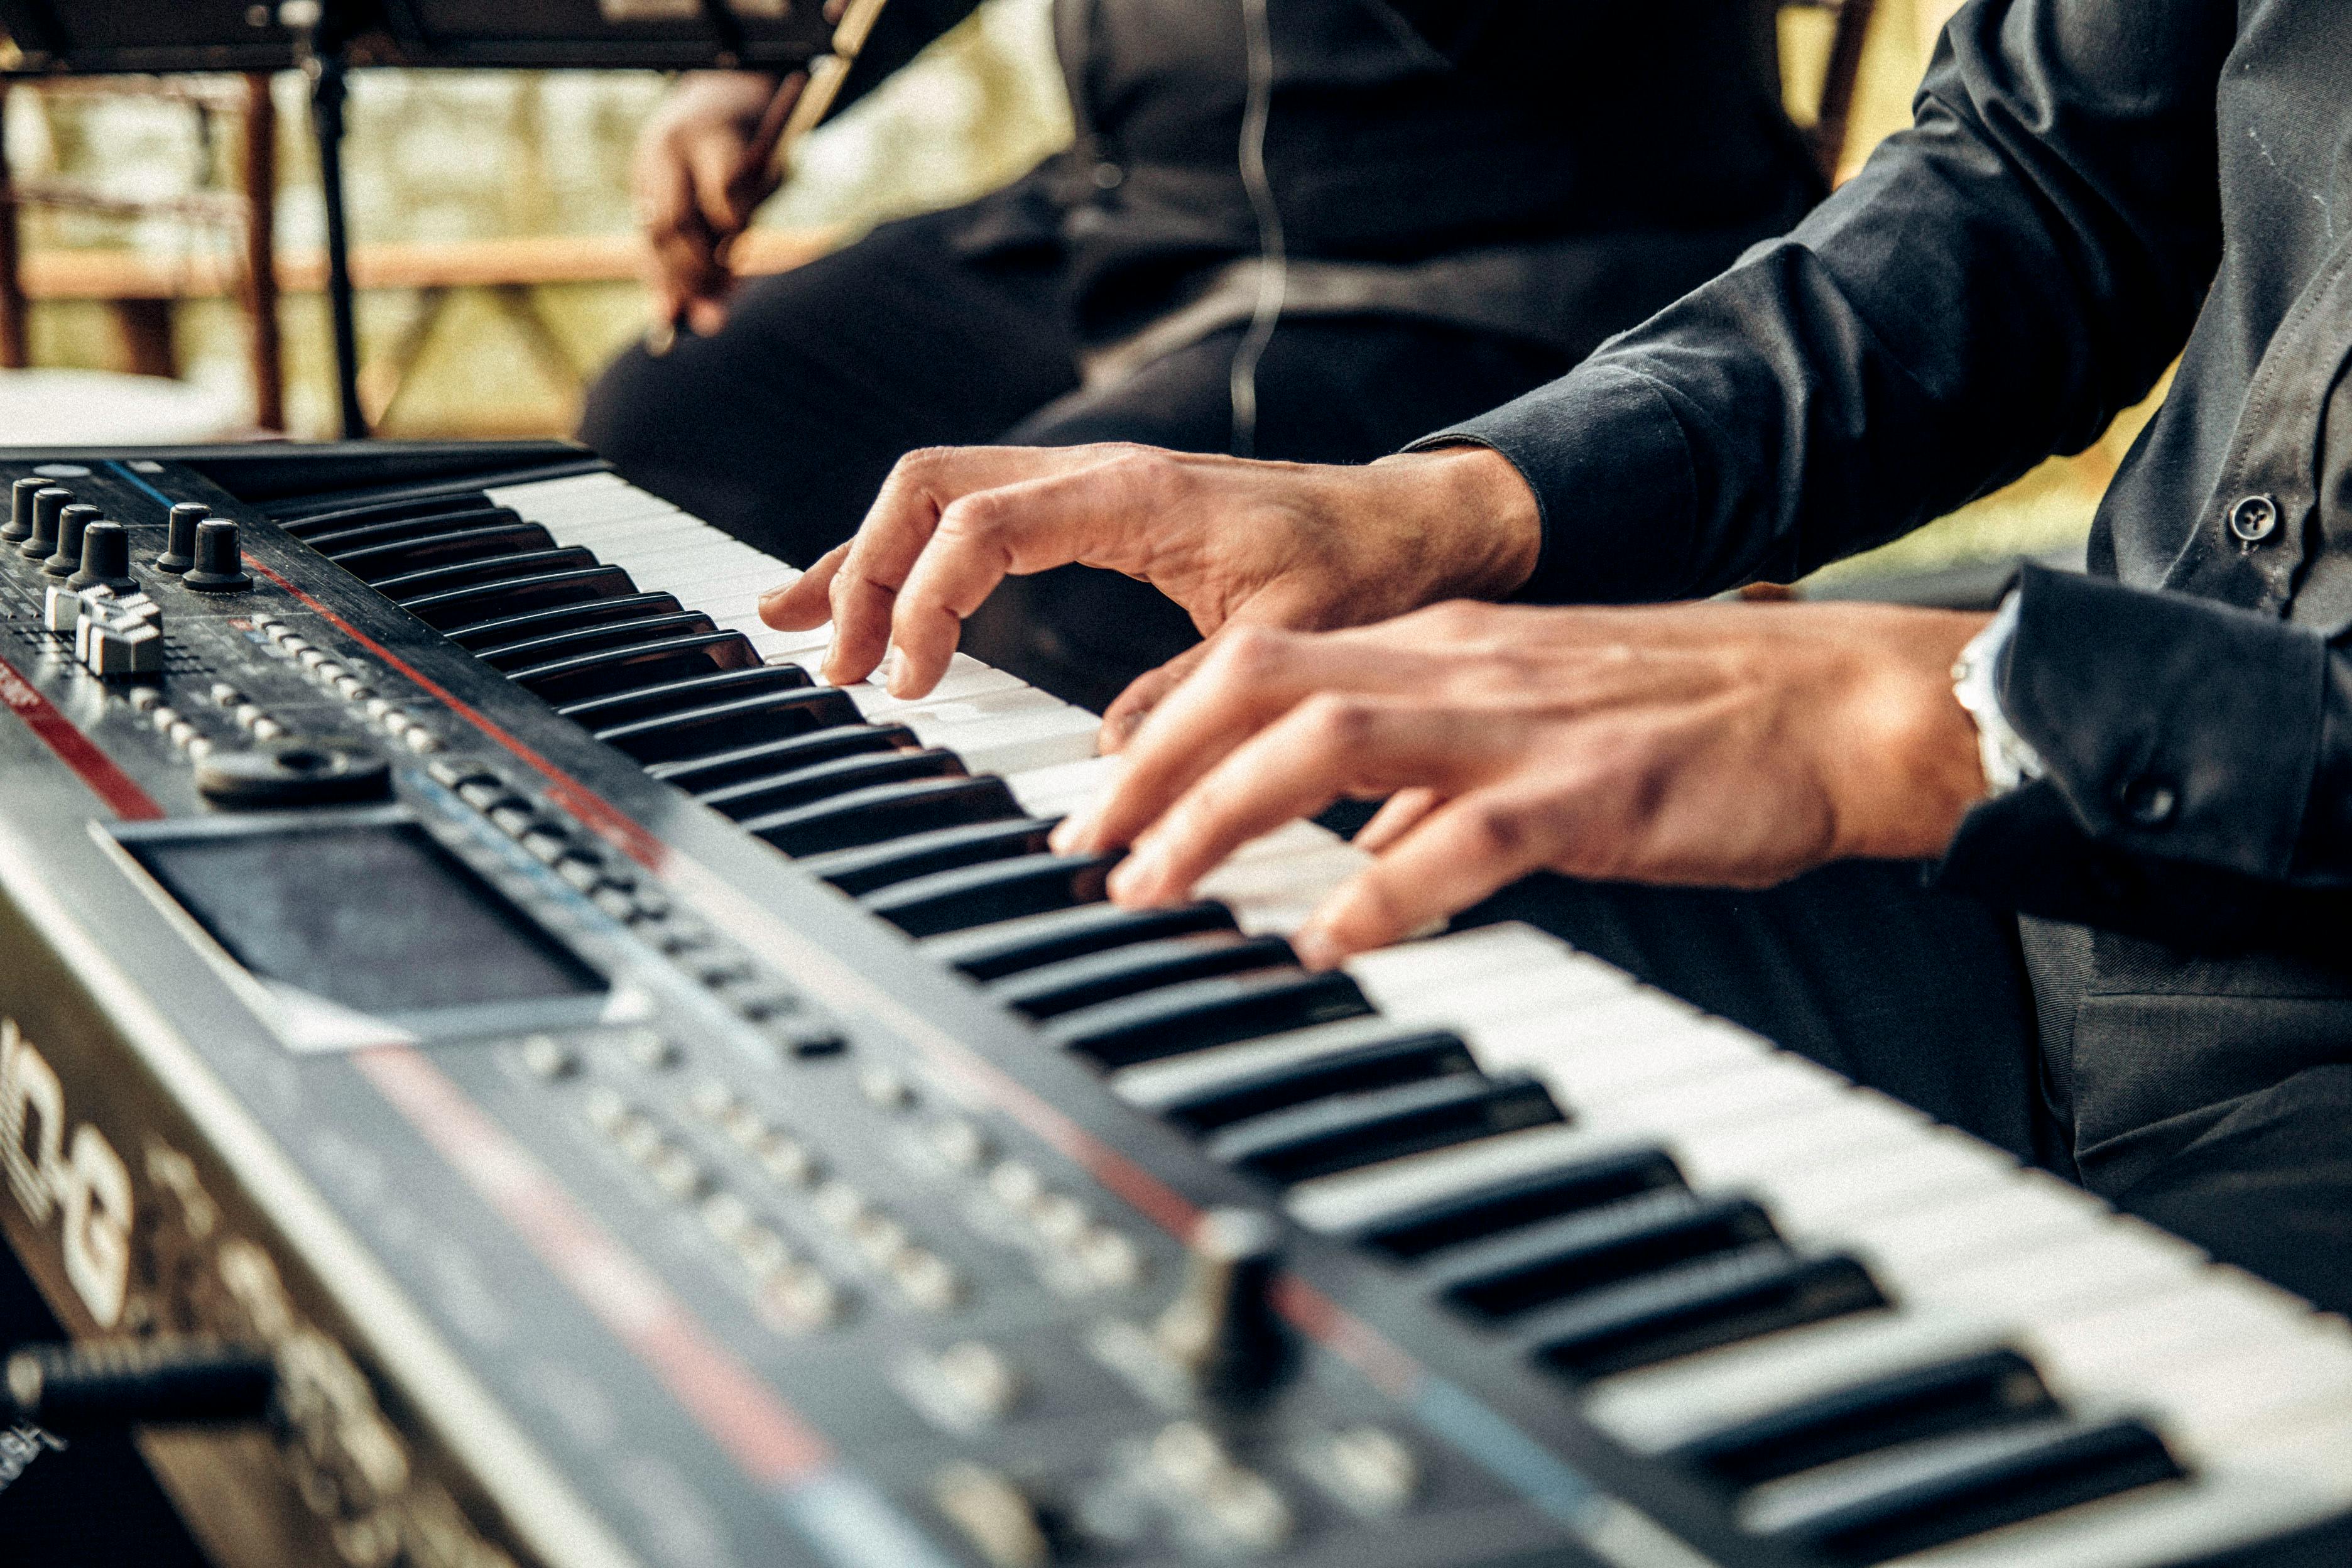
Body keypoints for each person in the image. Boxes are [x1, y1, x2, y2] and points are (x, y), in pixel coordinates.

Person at [760, 0, 2352, 1316]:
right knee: (1166, 948)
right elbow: (2043, 186)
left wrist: (1930, 717)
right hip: (2045, 889)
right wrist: (1448, 506)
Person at [580, 0, 1824, 709]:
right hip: (1135, 210)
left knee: (1047, 566)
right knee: (678, 424)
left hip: (1504, 238)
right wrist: (773, 63)